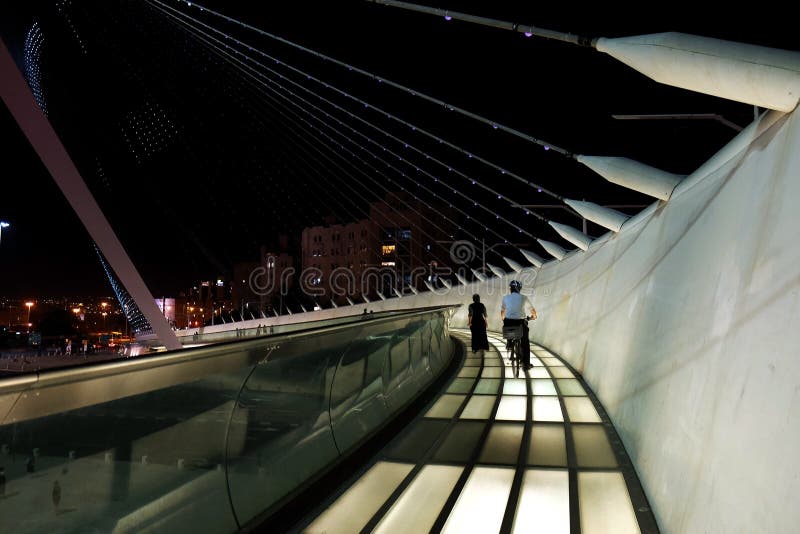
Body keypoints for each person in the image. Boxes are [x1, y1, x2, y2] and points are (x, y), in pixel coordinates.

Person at [500, 280, 537, 370]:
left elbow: (502, 312)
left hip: (508, 323)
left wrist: (504, 319)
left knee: (507, 326)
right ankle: (526, 364)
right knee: (525, 342)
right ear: (519, 289)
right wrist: (534, 316)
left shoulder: (505, 298)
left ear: (510, 289)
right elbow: (532, 310)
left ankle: (509, 343)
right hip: (520, 323)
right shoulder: (523, 297)